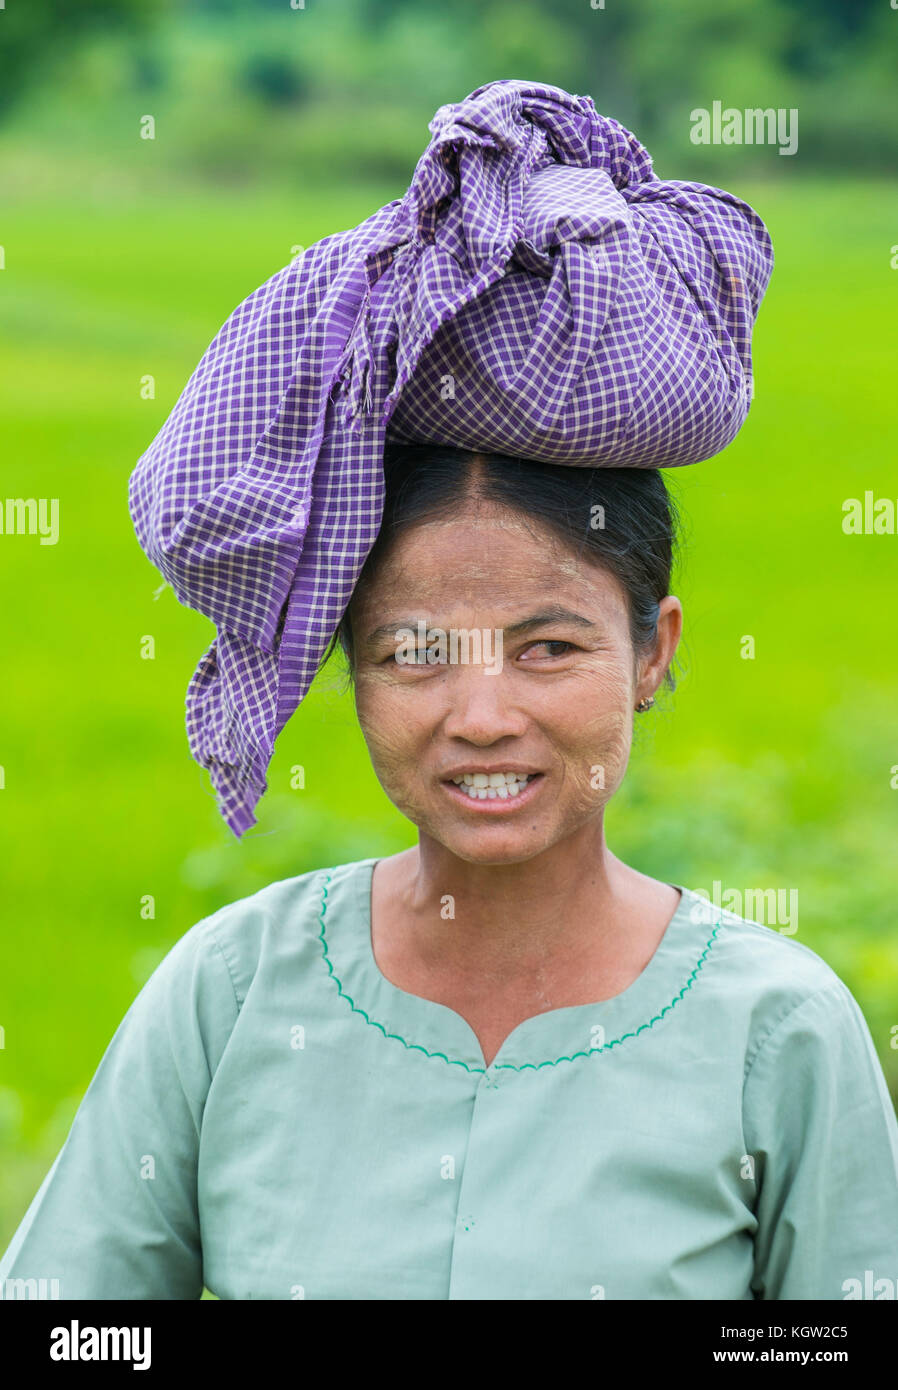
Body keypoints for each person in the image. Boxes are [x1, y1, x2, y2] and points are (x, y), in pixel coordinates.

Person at [3, 80, 896, 1299]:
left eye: (548, 646)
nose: (481, 716)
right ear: (348, 665)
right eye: (413, 651)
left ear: (653, 653)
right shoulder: (230, 992)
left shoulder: (775, 1031)